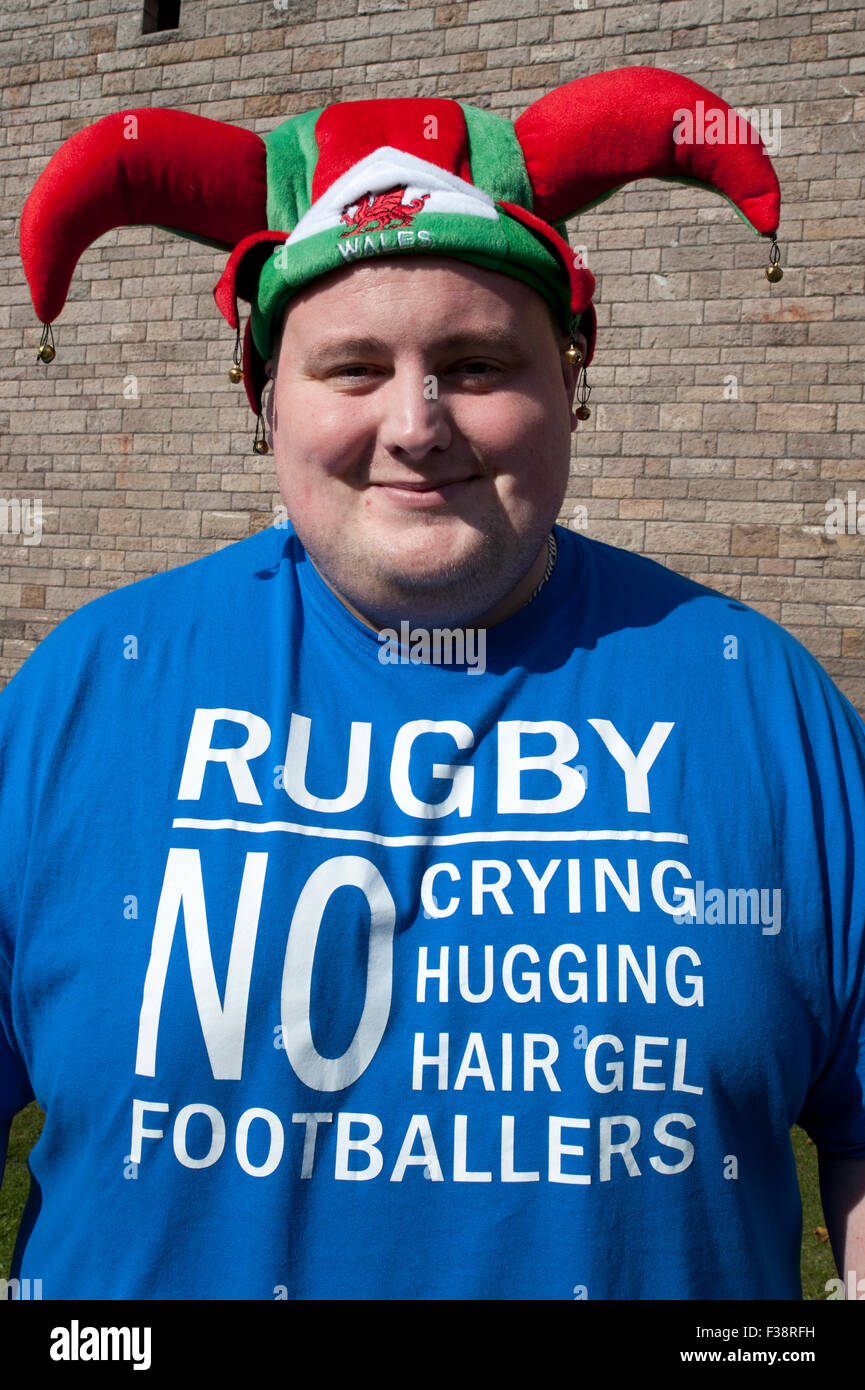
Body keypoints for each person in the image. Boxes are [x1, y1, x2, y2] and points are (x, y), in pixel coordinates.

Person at [2, 68, 864, 1301]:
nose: (415, 423)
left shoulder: (763, 707)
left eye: (474, 362)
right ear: (263, 397)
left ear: (572, 376)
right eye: (350, 367)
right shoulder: (80, 697)